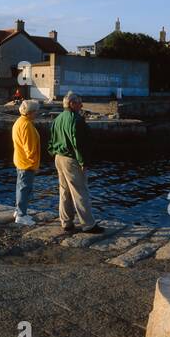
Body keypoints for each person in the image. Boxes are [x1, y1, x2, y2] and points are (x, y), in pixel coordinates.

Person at [48, 92, 102, 234]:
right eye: (79, 102)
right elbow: (78, 143)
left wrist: (53, 152)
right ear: (71, 103)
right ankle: (88, 224)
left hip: (59, 158)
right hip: (72, 159)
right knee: (80, 191)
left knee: (64, 190)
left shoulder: (58, 118)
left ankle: (66, 222)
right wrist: (83, 161)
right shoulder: (76, 120)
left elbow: (52, 140)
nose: (82, 105)